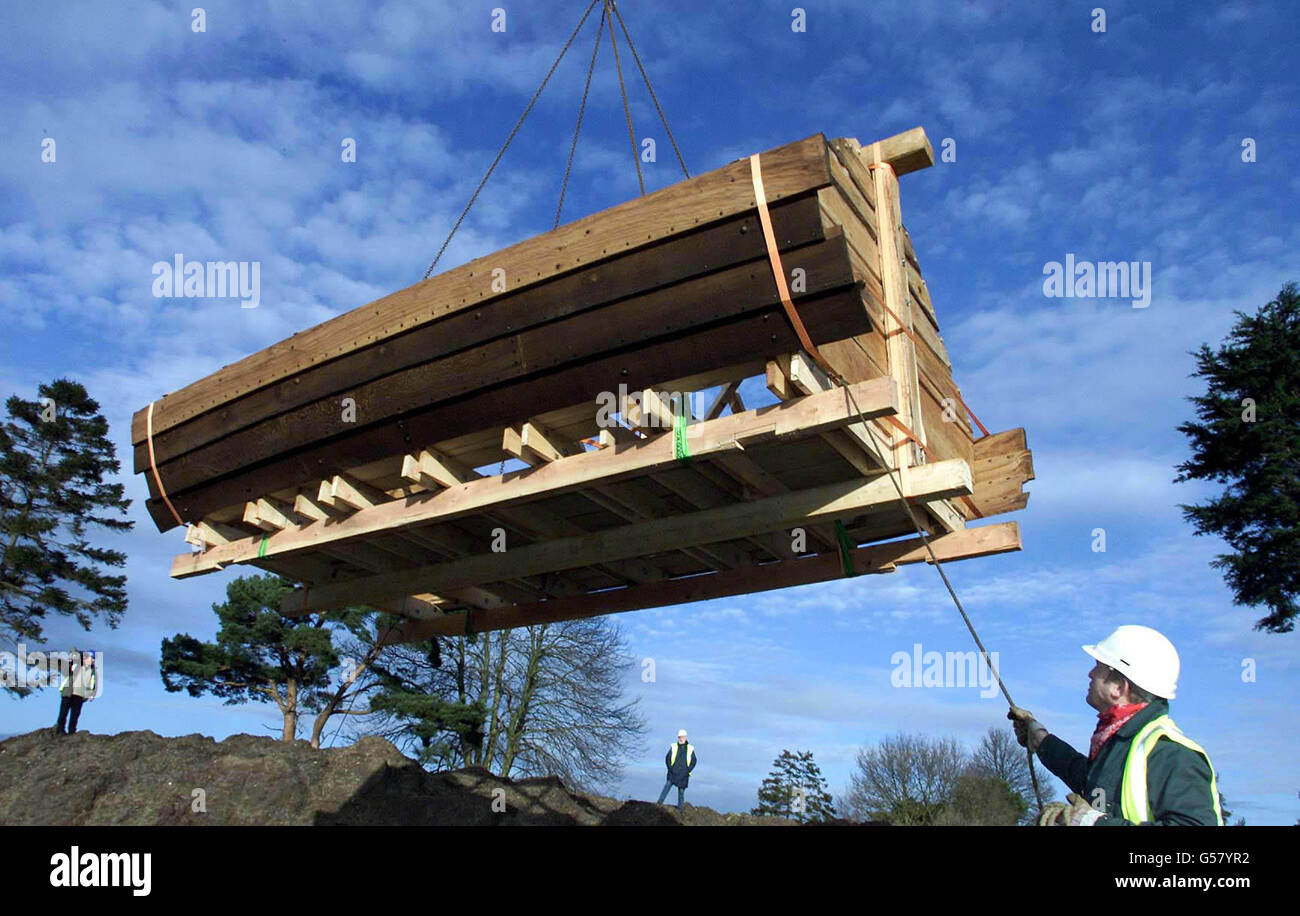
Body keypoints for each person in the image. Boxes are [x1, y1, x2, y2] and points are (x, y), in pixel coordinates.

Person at [1008, 625, 1221, 826]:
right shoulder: (1121, 743)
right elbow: (1092, 783)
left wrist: (1091, 823)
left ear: (1118, 687)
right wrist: (1040, 740)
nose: (1090, 674)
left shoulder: (1171, 754)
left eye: (1098, 668)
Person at [54, 650, 98, 736]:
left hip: (79, 695)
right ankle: (60, 730)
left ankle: (71, 731)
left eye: (92, 659)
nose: (91, 660)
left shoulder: (92, 671)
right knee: (63, 713)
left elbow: (93, 684)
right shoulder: (75, 665)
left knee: (75, 715)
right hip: (68, 692)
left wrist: (90, 695)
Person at [656, 729, 697, 812]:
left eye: (682, 737)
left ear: (685, 737)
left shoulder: (690, 748)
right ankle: (659, 802)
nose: (681, 738)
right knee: (667, 786)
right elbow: (667, 758)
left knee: (681, 792)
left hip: (684, 774)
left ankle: (680, 809)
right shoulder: (674, 746)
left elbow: (694, 761)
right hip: (673, 772)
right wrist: (670, 768)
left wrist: (688, 770)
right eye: (679, 737)